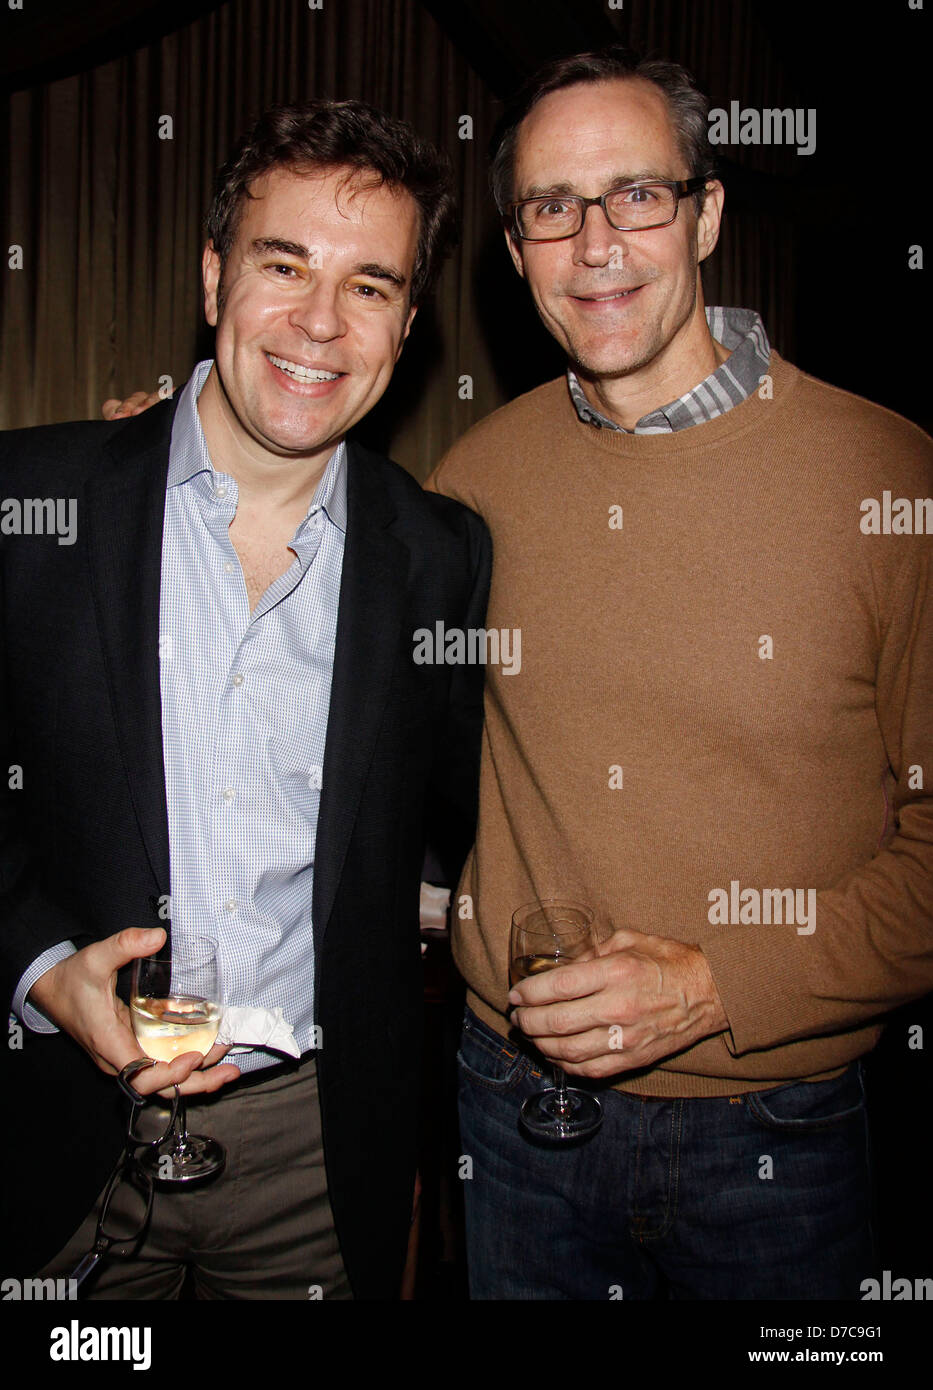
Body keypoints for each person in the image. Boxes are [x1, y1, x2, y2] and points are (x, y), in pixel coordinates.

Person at [422, 48, 933, 1299]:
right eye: (553, 207)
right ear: (514, 247)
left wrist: (717, 984)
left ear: (706, 213)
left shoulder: (891, 478)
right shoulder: (469, 489)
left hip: (778, 1140)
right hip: (508, 1110)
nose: (595, 243)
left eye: (636, 195)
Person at [0, 99, 490, 1300]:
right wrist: (39, 963)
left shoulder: (441, 555)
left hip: (309, 1159)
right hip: (56, 1134)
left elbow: (450, 815)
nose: (321, 322)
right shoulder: (28, 503)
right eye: (286, 265)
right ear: (215, 275)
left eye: (370, 286)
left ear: (409, 325)